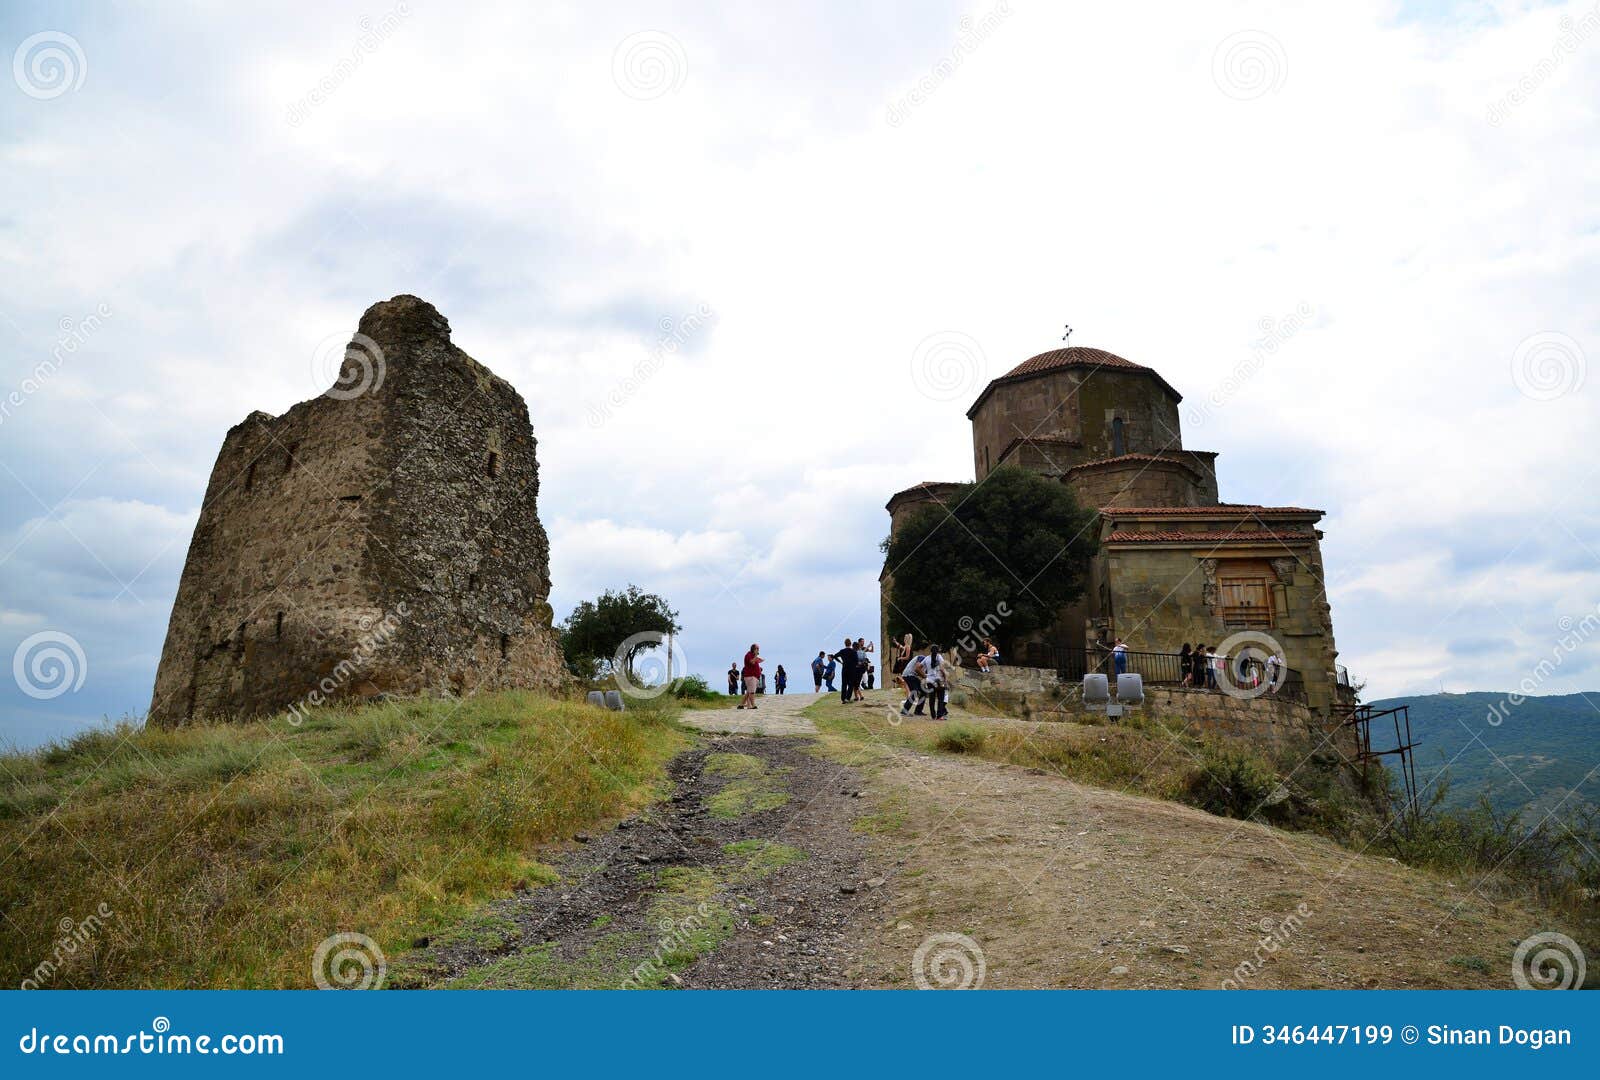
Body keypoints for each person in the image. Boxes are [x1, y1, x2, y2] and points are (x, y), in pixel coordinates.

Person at [899, 649, 928, 716]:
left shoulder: (927, 665)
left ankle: (918, 711)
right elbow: (917, 669)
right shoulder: (922, 658)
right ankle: (904, 711)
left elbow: (923, 674)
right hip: (908, 675)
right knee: (915, 691)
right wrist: (925, 676)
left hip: (912, 676)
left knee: (924, 691)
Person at [923, 644, 949, 720]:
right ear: (938, 651)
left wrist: (925, 675)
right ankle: (939, 716)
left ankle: (933, 716)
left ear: (930, 651)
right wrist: (945, 679)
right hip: (939, 681)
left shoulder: (926, 658)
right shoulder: (939, 657)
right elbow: (942, 669)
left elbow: (918, 668)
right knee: (940, 698)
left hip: (930, 681)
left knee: (932, 698)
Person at [830, 637, 859, 705]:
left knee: (844, 684)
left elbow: (834, 656)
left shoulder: (842, 651)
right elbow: (856, 661)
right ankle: (847, 698)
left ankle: (843, 699)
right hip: (852, 669)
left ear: (845, 644)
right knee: (851, 684)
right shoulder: (853, 651)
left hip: (844, 669)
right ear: (850, 644)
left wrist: (840, 662)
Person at [739, 643, 763, 709]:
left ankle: (741, 705)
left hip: (754, 676)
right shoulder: (748, 655)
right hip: (750, 676)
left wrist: (759, 660)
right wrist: (756, 656)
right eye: (757, 648)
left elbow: (754, 662)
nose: (758, 650)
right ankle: (753, 705)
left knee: (749, 692)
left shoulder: (752, 655)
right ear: (753, 649)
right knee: (752, 692)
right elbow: (752, 662)